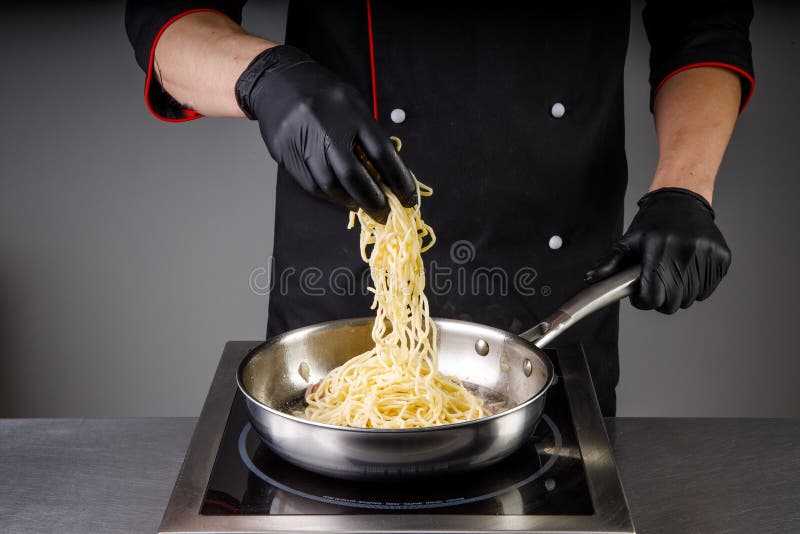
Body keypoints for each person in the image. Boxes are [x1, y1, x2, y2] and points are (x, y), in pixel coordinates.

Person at [125, 1, 754, 415]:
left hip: (556, 284)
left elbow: (703, 19)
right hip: (343, 298)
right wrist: (264, 76)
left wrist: (684, 188)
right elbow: (168, 19)